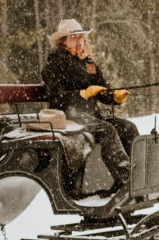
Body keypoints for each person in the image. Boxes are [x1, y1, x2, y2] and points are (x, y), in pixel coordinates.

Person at [41, 19, 138, 195]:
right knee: (107, 130)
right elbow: (55, 97)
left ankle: (137, 176)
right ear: (63, 41)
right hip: (68, 118)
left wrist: (114, 96)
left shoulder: (88, 63)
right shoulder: (54, 65)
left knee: (127, 127)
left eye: (81, 38)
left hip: (91, 117)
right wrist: (81, 94)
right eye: (74, 38)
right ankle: (126, 180)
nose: (79, 42)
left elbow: (101, 88)